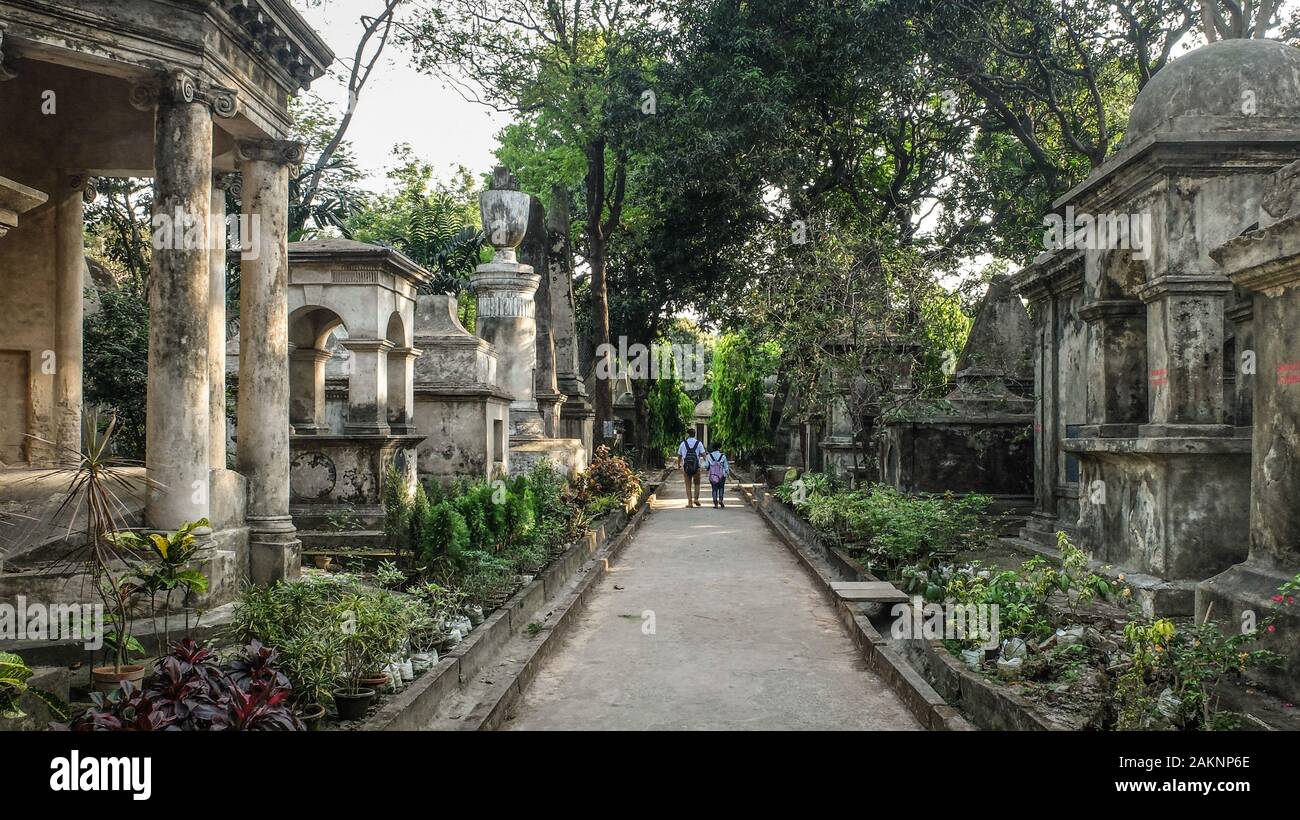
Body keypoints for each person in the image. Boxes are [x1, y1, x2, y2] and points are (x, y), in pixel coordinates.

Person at [677, 428, 706, 508]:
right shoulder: (699, 443)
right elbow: (703, 454)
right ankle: (696, 499)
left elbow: (679, 455)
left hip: (686, 467)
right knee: (697, 483)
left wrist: (678, 465)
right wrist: (707, 463)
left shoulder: (683, 443)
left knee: (688, 485)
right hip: (696, 467)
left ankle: (690, 502)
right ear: (695, 434)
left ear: (688, 434)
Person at [705, 443, 729, 508]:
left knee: (714, 488)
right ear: (719, 448)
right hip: (722, 475)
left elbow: (706, 466)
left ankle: (715, 503)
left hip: (713, 475)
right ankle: (721, 500)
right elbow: (726, 466)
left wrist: (709, 468)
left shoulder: (709, 456)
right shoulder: (723, 456)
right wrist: (727, 474)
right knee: (721, 487)